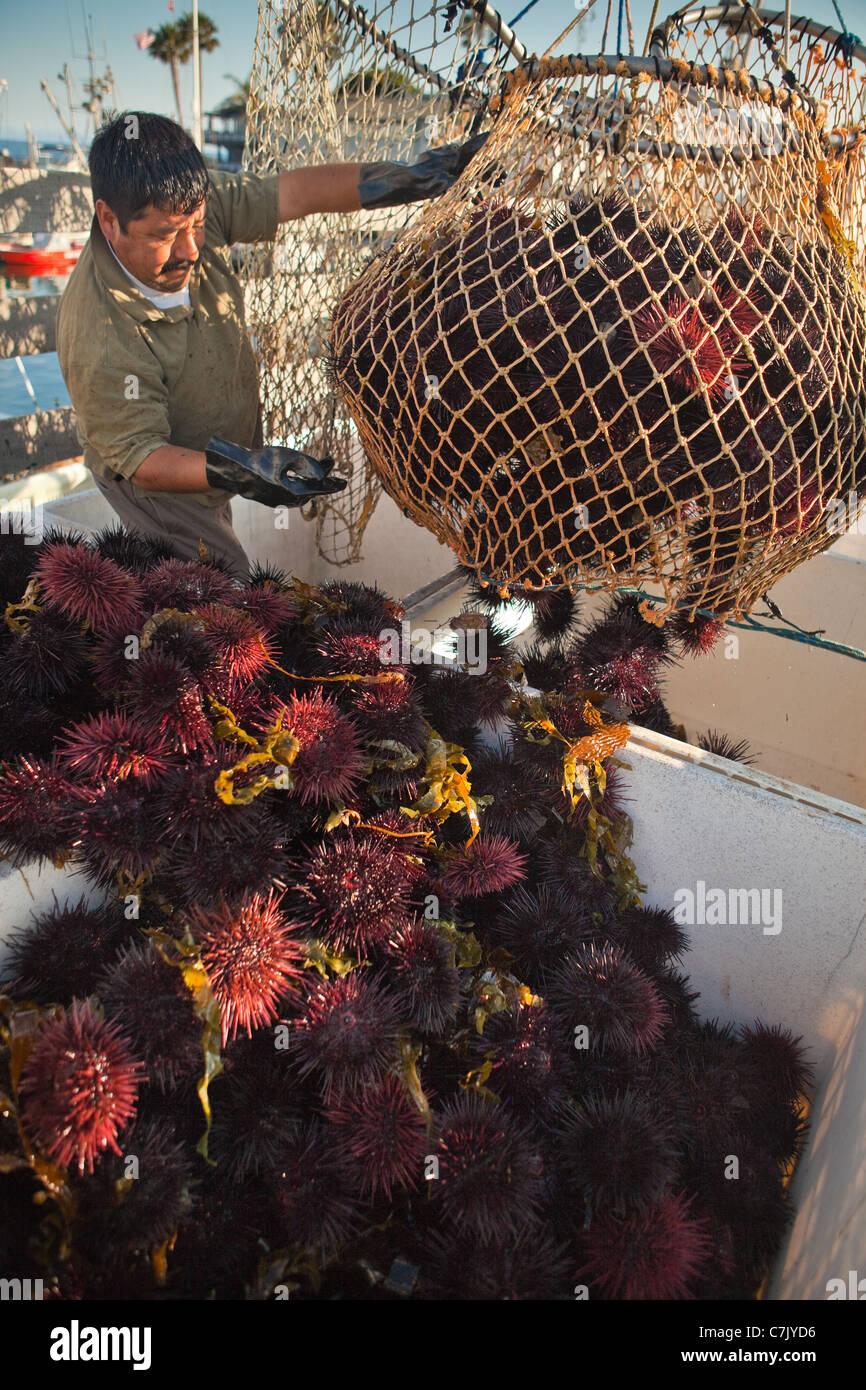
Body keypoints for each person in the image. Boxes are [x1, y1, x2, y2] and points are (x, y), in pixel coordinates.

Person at [56, 111, 485, 578]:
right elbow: (143, 458)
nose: (190, 250)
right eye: (164, 236)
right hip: (154, 487)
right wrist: (238, 469)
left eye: (196, 226)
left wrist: (408, 179)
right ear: (108, 219)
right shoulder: (98, 333)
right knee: (225, 590)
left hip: (202, 450)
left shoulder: (186, 201)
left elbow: (295, 193)